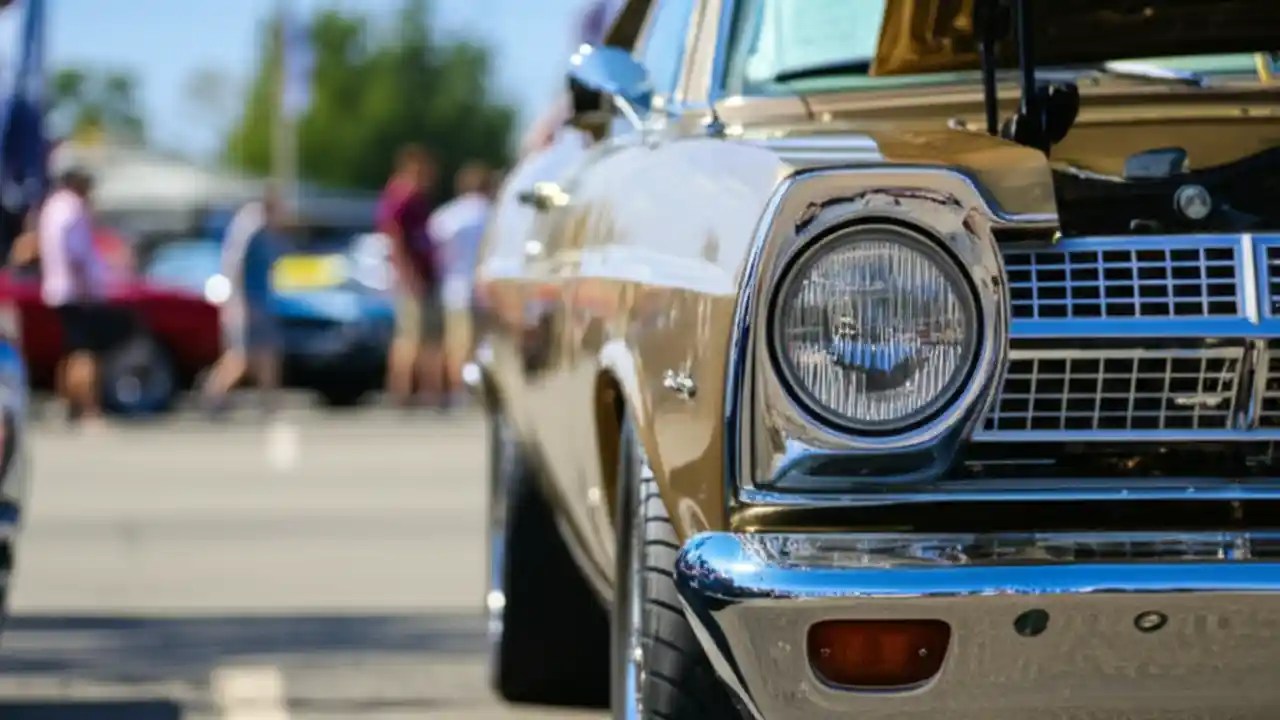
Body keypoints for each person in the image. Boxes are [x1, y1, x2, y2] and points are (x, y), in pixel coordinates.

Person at [38, 168, 112, 426]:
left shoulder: (52, 206)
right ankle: (90, 409)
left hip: (59, 289)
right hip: (76, 291)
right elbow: (76, 252)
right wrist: (85, 287)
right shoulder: (71, 208)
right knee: (85, 352)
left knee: (70, 350)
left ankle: (66, 404)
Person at [202, 190, 285, 416]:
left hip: (261, 301)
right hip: (246, 302)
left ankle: (270, 402)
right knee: (241, 357)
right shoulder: (251, 227)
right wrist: (241, 304)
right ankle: (214, 393)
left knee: (267, 353)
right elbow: (234, 266)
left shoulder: (264, 229)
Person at [379, 144, 446, 408]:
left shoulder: (418, 199)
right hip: (413, 279)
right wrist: (407, 274)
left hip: (426, 276)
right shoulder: (401, 197)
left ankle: (428, 392)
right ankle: (401, 392)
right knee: (411, 337)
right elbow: (393, 237)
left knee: (428, 337)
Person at [428, 162, 495, 397]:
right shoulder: (491, 213)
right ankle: (468, 391)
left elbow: (434, 247)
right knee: (478, 345)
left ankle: (450, 391)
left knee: (454, 343)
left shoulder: (447, 214)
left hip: (453, 286)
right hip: (482, 289)